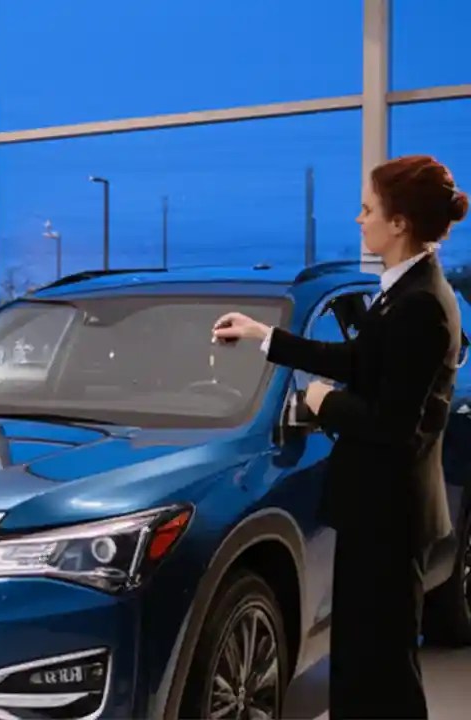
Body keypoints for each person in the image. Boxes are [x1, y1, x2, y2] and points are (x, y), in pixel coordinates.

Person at [212, 155, 469, 719]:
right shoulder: (404, 290)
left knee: (382, 673)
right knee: (360, 664)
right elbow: (358, 359)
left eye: (368, 209)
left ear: (399, 223)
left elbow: (391, 424)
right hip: (377, 512)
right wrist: (267, 337)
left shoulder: (422, 303)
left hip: (390, 516)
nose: (359, 220)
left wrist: (324, 401)